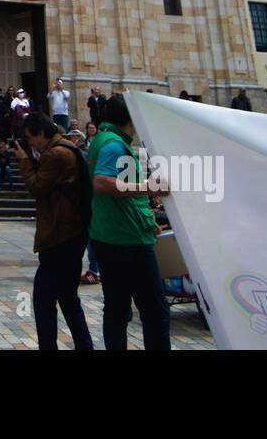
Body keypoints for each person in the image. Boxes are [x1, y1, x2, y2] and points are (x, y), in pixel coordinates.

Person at [89, 95, 170, 350]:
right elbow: (102, 182)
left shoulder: (104, 139)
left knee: (117, 308)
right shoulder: (114, 146)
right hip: (128, 239)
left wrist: (147, 219)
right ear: (130, 118)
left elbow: (121, 197)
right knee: (155, 310)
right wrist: (147, 187)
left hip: (112, 233)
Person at [13, 111, 95, 350]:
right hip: (69, 233)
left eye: (30, 138)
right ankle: (84, 345)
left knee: (42, 299)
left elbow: (37, 186)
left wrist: (25, 160)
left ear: (41, 133)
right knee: (68, 299)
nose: (29, 143)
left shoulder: (59, 154)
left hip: (61, 236)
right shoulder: (63, 149)